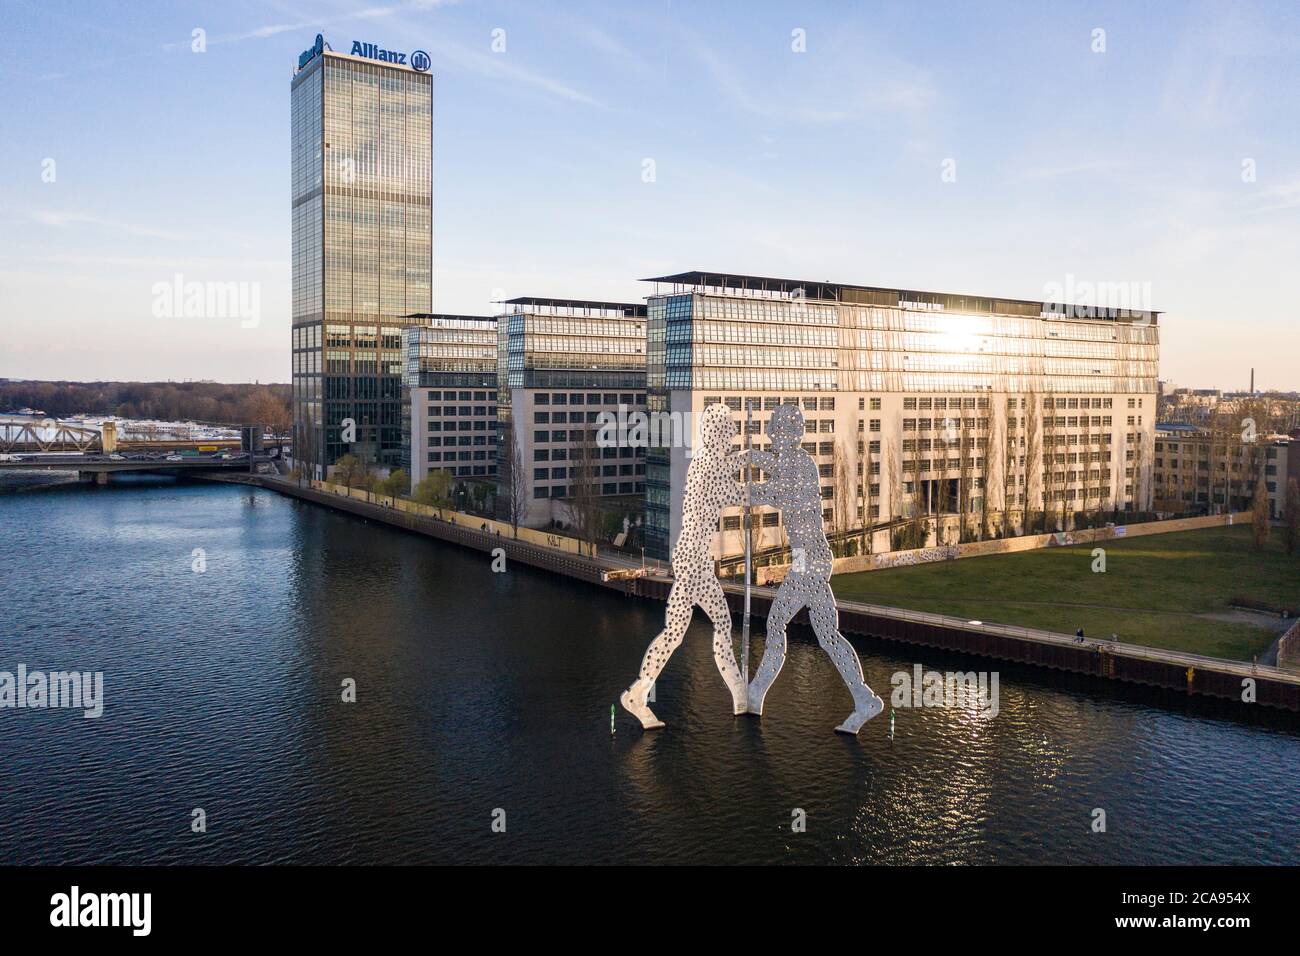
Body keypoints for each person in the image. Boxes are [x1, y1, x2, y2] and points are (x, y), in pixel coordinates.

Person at [743, 404, 884, 735]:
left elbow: (774, 492)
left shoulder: (801, 465)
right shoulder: (792, 462)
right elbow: (772, 466)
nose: (770, 436)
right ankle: (864, 698)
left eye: (775, 430)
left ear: (790, 434)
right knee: (827, 635)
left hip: (811, 559)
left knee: (777, 623)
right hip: (808, 559)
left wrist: (741, 491)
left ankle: (755, 694)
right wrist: (751, 457)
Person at [620, 404, 748, 728]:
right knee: (699, 628)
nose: (732, 438)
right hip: (693, 559)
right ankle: (640, 692)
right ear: (716, 434)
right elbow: (738, 492)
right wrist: (776, 488)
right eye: (728, 431)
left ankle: (738, 695)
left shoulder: (706, 462)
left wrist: (753, 458)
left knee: (694, 629)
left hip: (695, 558)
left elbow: (733, 466)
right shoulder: (706, 466)